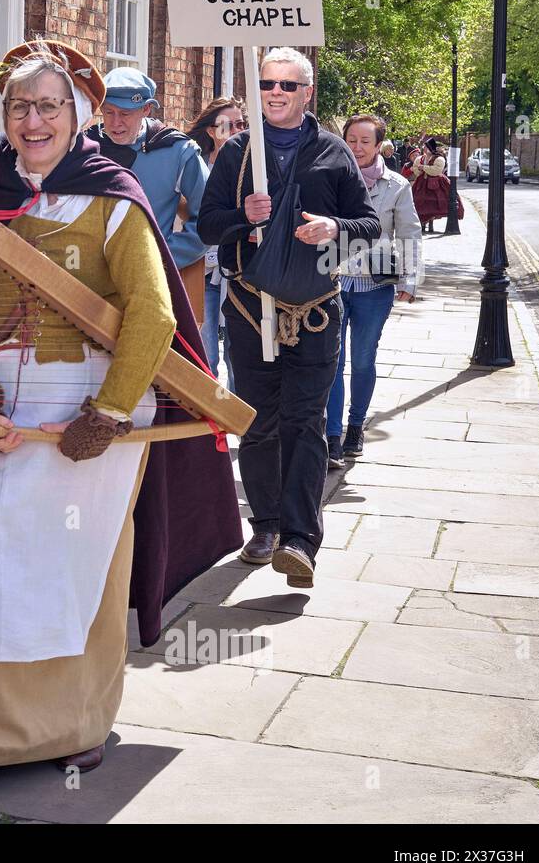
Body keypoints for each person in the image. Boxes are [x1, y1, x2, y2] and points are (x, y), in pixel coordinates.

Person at [0, 40, 242, 797]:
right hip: (2, 409)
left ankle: (68, 727)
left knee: (65, 570)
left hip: (92, 412)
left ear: (77, 117)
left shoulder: (114, 197)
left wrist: (104, 414)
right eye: (18, 107)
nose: (32, 120)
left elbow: (152, 313)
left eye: (47, 106)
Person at [198, 47, 379, 587]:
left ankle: (301, 541)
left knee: (304, 424)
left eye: (286, 85)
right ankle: (267, 525)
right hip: (250, 310)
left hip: (318, 310)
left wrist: (333, 227)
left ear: (307, 92)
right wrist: (241, 216)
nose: (275, 93)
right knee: (257, 423)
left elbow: (370, 225)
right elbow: (207, 226)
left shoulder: (332, 152)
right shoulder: (235, 153)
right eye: (267, 84)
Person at [326, 114, 421, 467]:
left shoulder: (396, 185)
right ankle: (331, 435)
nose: (357, 147)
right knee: (332, 361)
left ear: (379, 145)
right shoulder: (332, 177)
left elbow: (410, 234)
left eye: (365, 141)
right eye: (351, 139)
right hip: (332, 281)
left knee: (363, 360)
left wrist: (410, 281)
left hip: (374, 286)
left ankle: (355, 426)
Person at [85, 68, 210, 323]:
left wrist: (163, 257)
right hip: (89, 282)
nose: (115, 122)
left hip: (147, 284)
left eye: (125, 114)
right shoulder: (85, 147)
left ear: (146, 110)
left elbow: (208, 218)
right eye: (108, 112)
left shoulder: (177, 151)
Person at [188, 95, 247, 387]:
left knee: (238, 356)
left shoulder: (252, 169)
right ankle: (210, 430)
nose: (236, 130)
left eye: (240, 124)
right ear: (211, 131)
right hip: (201, 272)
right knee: (205, 356)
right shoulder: (194, 167)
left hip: (238, 272)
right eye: (228, 125)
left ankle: (242, 426)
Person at [410, 136, 450, 233]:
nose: (424, 149)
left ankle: (431, 224)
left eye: (426, 147)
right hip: (421, 183)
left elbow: (436, 170)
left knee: (432, 204)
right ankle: (423, 224)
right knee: (420, 203)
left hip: (435, 184)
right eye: (424, 147)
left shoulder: (439, 159)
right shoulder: (420, 158)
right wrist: (419, 171)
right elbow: (415, 168)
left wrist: (423, 167)